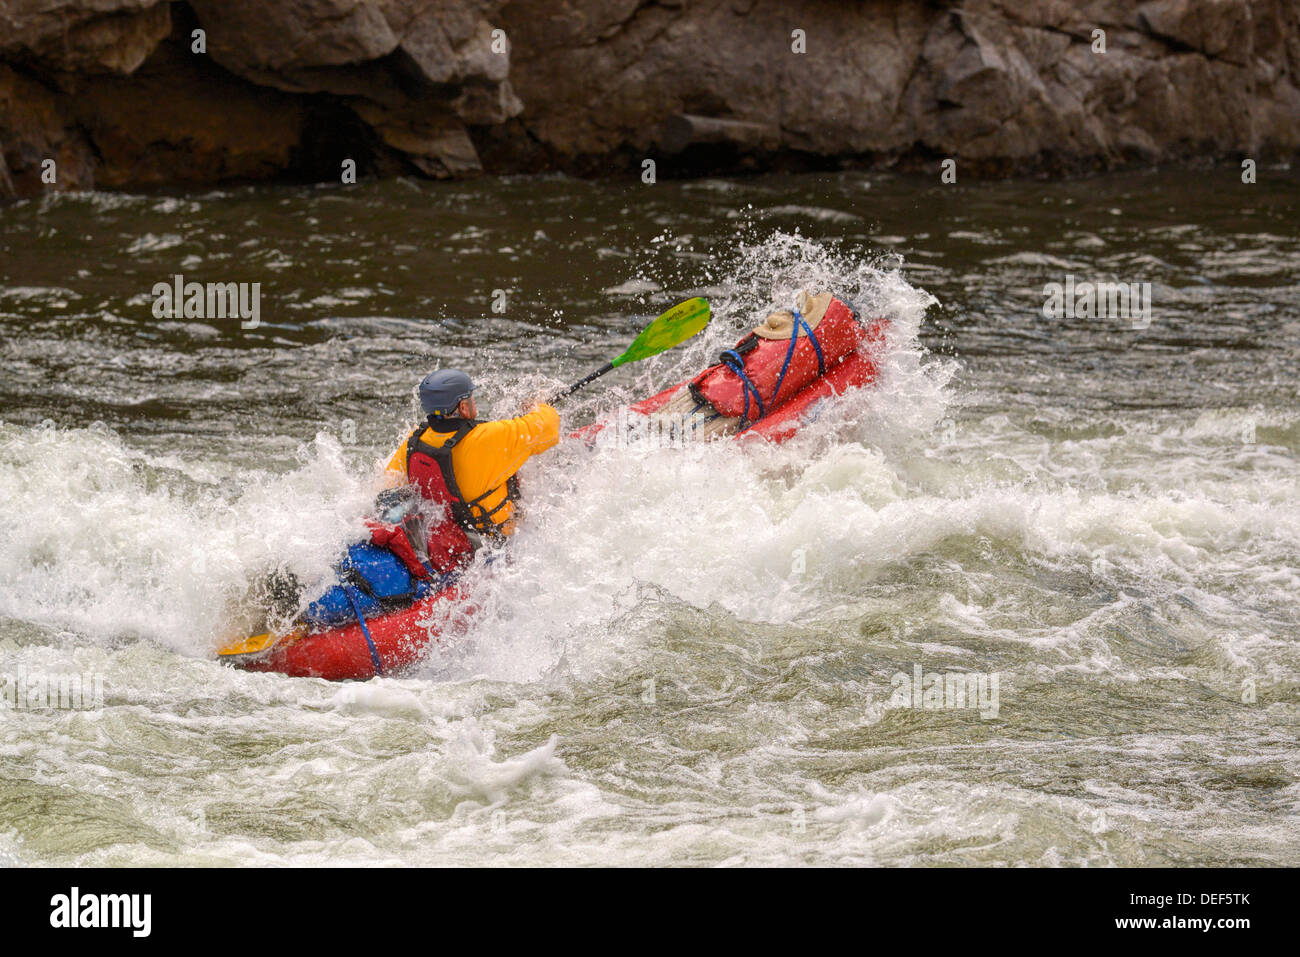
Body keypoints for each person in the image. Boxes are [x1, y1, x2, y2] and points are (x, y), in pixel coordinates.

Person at [378, 369, 560, 575]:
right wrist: (539, 405)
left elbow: (387, 487)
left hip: (448, 544)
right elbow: (550, 428)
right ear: (463, 406)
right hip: (498, 548)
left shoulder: (414, 441)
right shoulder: (489, 437)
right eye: (471, 397)